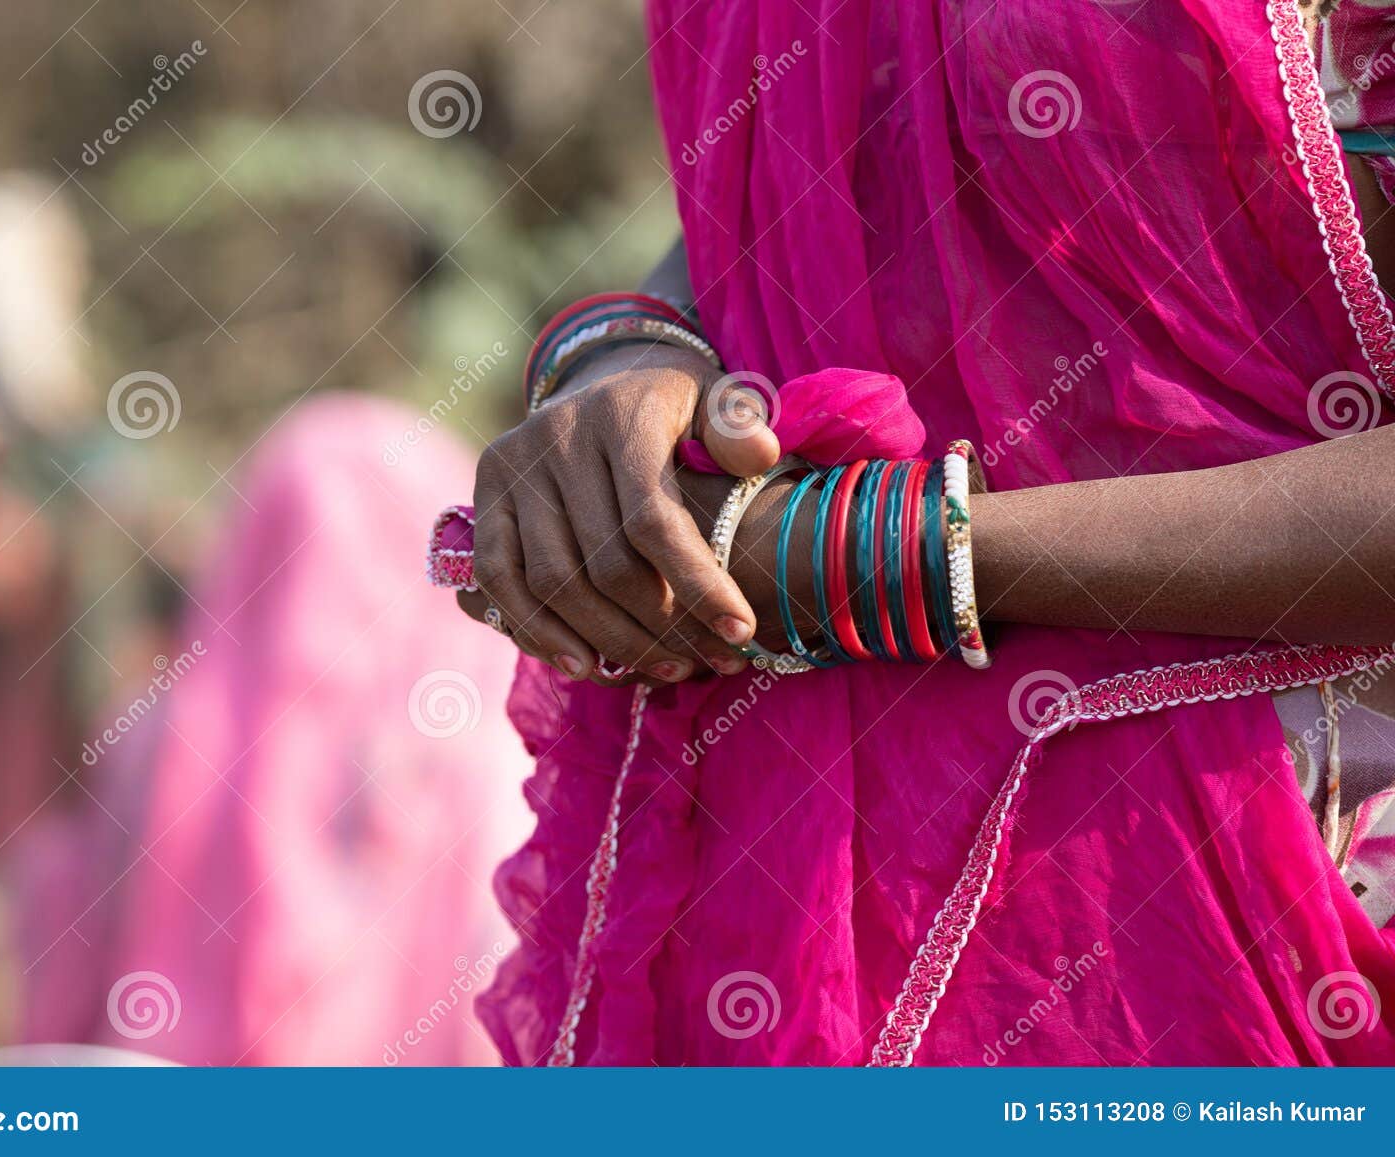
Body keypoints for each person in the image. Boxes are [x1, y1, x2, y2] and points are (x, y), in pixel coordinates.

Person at [446, 1, 1395, 1064]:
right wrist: (627, 359)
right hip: (768, 888)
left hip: (1216, 913)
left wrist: (850, 554)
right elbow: (840, 170)